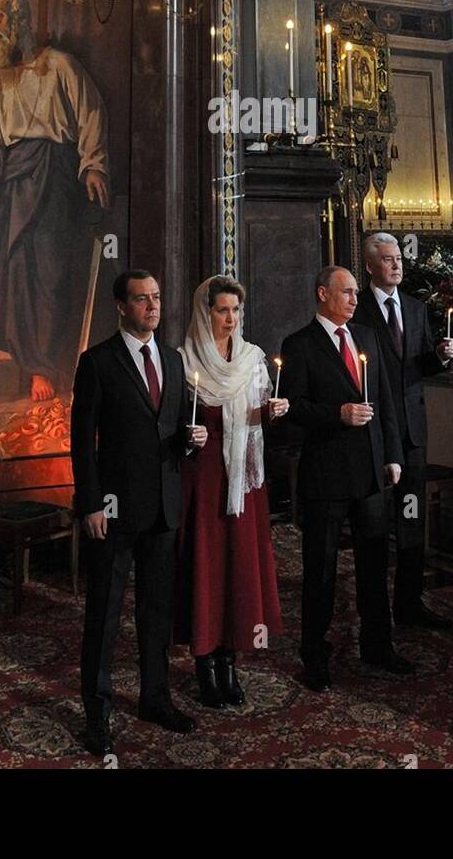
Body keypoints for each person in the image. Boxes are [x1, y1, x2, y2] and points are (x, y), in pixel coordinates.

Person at [71, 269, 207, 755]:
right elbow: (83, 440)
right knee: (105, 616)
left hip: (163, 509)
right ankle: (97, 712)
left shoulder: (172, 360)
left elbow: (172, 431)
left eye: (156, 297)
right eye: (141, 299)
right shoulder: (97, 363)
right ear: (120, 307)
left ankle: (155, 698)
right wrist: (89, 503)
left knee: (156, 612)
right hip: (112, 510)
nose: (152, 306)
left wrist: (191, 441)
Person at [0, 0, 109, 400]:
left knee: (40, 268)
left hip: (53, 173)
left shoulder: (60, 65)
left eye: (0, 21)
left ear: (20, 21)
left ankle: (40, 366)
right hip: (11, 172)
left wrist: (92, 165)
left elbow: (91, 113)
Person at [280, 266, 409, 691]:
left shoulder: (368, 338)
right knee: (320, 571)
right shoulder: (299, 345)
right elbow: (293, 408)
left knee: (374, 566)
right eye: (347, 292)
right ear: (323, 293)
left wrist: (392, 456)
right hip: (326, 476)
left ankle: (378, 645)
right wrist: (337, 414)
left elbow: (386, 400)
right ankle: (314, 655)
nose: (355, 299)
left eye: (356, 292)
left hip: (371, 472)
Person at [176, 276, 287, 708]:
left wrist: (272, 411)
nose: (230, 318)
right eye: (222, 310)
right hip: (202, 478)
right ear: (206, 313)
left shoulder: (253, 358)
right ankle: (204, 659)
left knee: (238, 566)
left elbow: (255, 417)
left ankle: (230, 659)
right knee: (206, 565)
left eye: (236, 310)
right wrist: (188, 433)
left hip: (242, 481)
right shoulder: (184, 360)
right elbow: (174, 426)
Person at [354, 233, 453, 629]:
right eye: (387, 259)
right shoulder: (358, 310)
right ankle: (375, 615)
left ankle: (410, 604)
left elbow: (419, 365)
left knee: (412, 522)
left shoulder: (415, 309)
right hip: (376, 433)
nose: (397, 265)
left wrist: (441, 357)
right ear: (369, 267)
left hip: (413, 433)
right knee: (376, 527)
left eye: (399, 258)